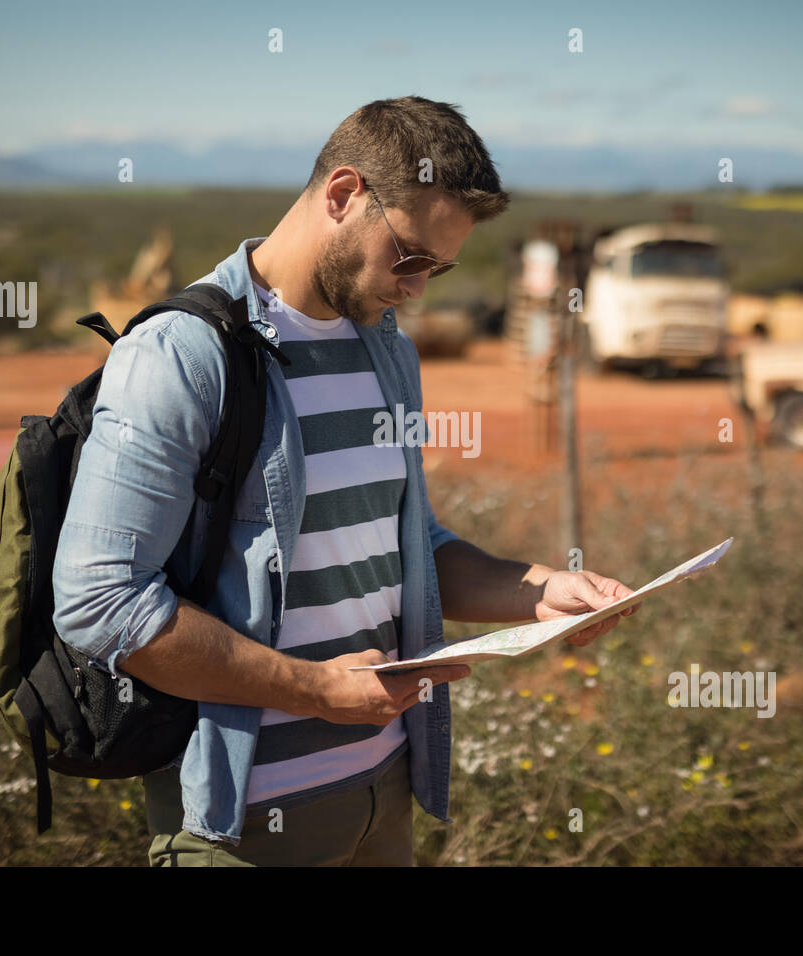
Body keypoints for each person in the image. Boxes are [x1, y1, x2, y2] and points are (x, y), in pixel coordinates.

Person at [52, 95, 634, 867]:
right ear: (342, 195)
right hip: (241, 826)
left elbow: (405, 545)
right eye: (412, 255)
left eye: (442, 267)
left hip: (385, 799)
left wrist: (537, 591)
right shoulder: (181, 355)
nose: (420, 286)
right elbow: (100, 602)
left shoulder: (387, 351)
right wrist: (311, 690)